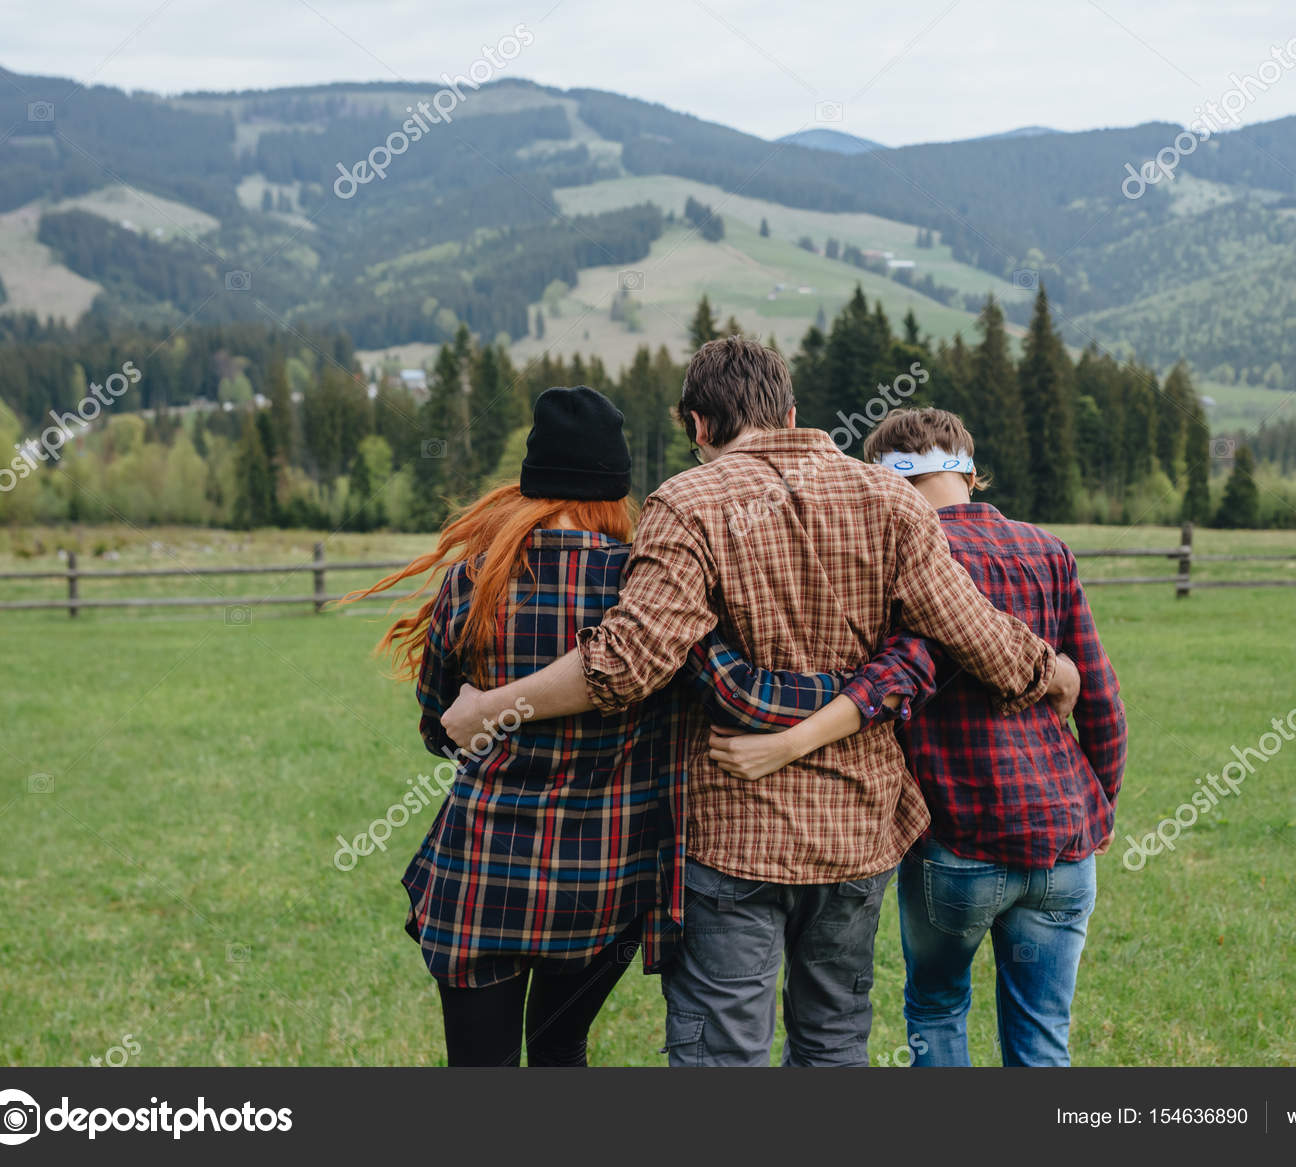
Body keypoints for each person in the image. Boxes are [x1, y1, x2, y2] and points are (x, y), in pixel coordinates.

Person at [442, 339, 1081, 1067]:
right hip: (855, 833)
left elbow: (625, 664)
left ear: (697, 426)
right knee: (834, 1037)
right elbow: (967, 629)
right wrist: (1050, 671)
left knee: (724, 1051)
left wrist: (488, 706)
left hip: (734, 832)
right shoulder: (890, 498)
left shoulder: (686, 502)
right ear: (790, 411)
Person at [342, 386, 848, 1067]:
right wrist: (852, 688)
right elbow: (738, 692)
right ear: (615, 490)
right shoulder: (648, 587)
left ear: (532, 480)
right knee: (560, 1051)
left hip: (481, 875)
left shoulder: (473, 582)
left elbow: (440, 725)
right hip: (604, 883)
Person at [709, 407, 1127, 1066]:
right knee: (1044, 1033)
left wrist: (792, 737)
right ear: (969, 470)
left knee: (936, 1007)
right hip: (1064, 843)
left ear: (888, 481)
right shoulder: (1050, 550)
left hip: (959, 842)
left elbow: (902, 675)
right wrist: (1097, 810)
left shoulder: (915, 552)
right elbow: (1100, 699)